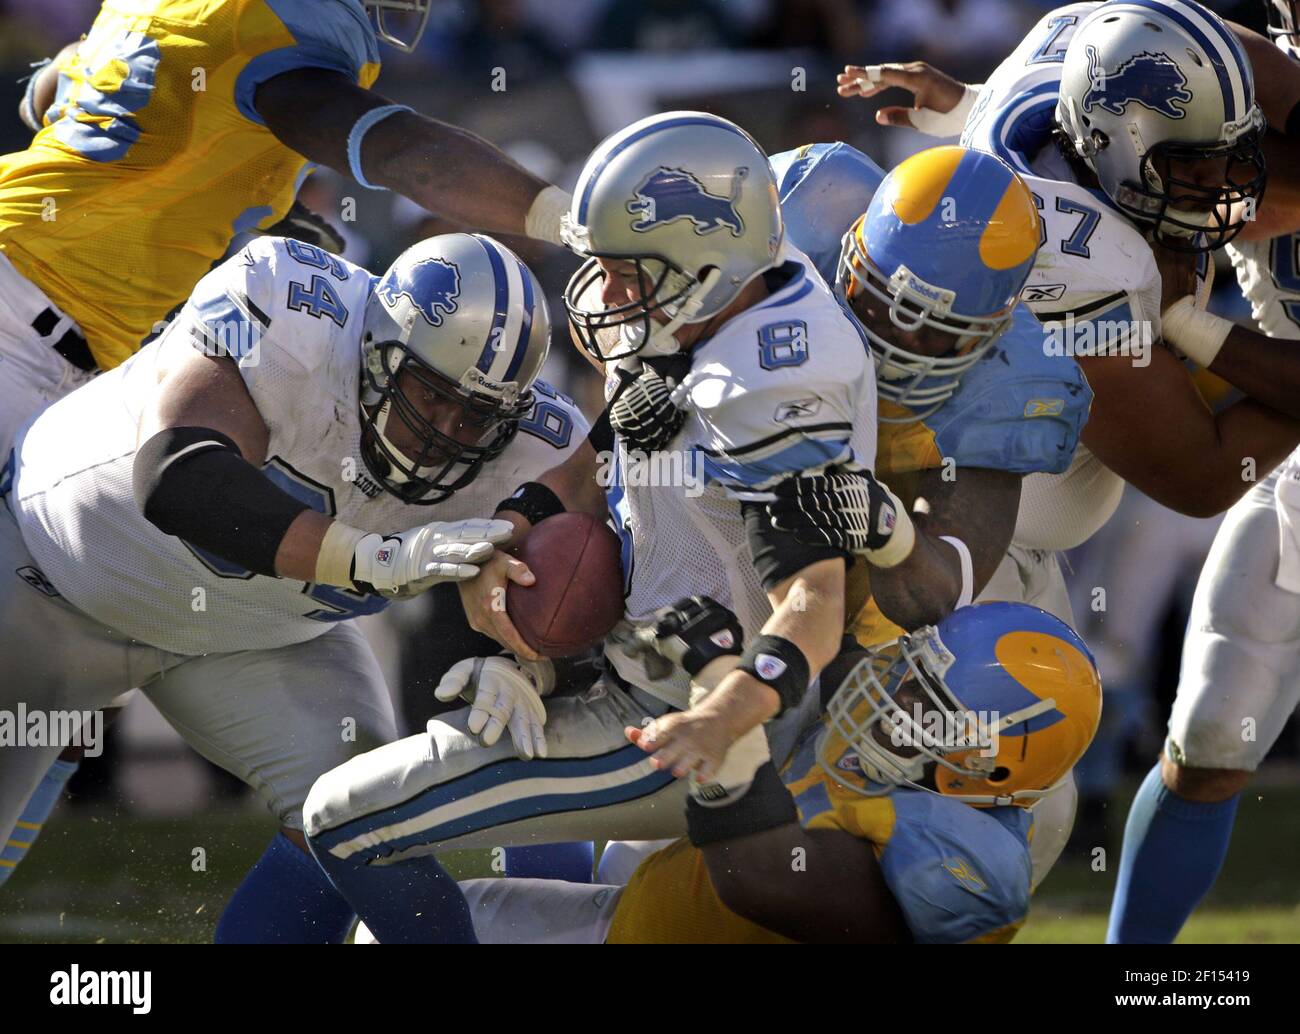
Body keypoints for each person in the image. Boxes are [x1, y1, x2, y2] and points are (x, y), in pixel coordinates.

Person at [302, 109, 888, 943]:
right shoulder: (713, 299)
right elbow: (606, 450)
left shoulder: (774, 390)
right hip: (622, 667)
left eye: (625, 274)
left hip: (682, 711)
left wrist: (722, 720)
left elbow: (814, 597)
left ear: (709, 267)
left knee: (341, 818)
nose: (605, 295)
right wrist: (509, 538)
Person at [0, 231, 583, 943]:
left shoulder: (541, 443)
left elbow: (582, 529)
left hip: (258, 634)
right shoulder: (292, 302)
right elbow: (178, 475)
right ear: (374, 349)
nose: (447, 433)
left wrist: (530, 646)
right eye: (428, 397)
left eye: (477, 416)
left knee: (364, 815)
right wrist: (373, 557)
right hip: (48, 580)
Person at [1107, 0, 1300, 943]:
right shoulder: (1242, 82)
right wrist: (964, 102)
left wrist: (1188, 324)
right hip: (1296, 463)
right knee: (1214, 733)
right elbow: (1112, 101)